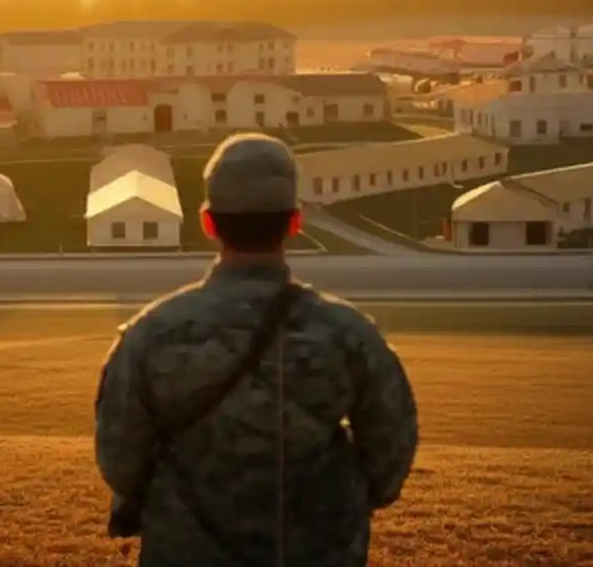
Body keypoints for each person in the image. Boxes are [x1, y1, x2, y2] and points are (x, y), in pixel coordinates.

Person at [94, 132, 418, 567]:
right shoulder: (348, 335)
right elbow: (389, 459)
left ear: (208, 223)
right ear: (295, 222)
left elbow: (120, 461)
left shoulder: (150, 336)